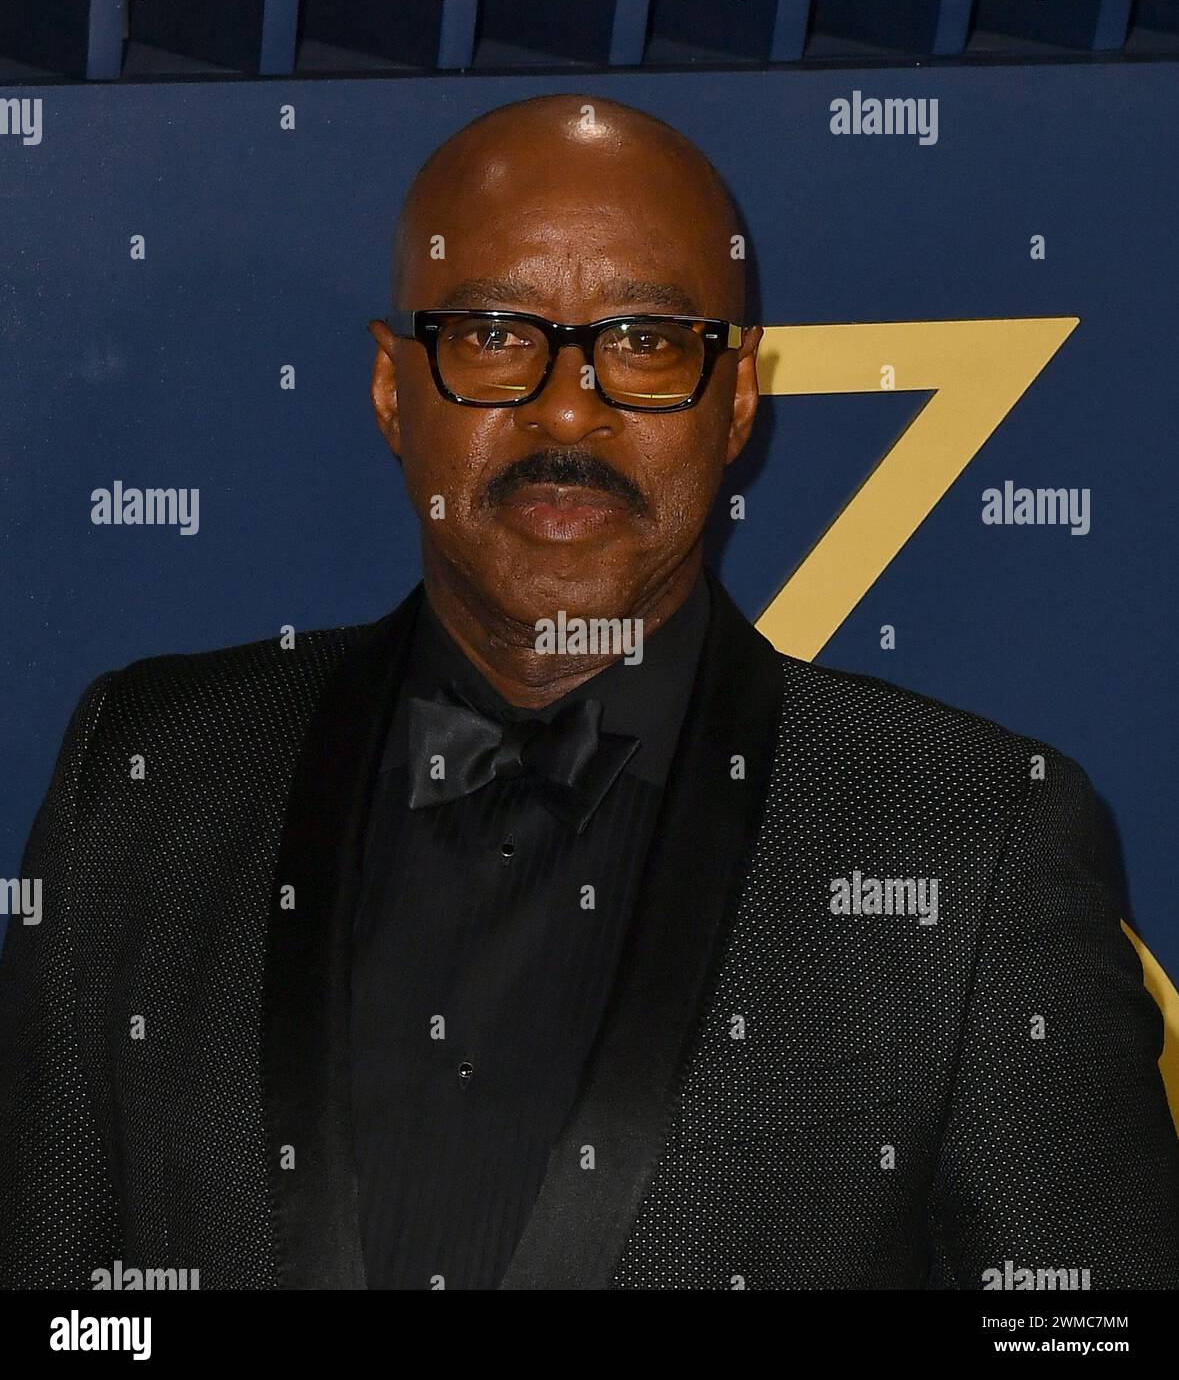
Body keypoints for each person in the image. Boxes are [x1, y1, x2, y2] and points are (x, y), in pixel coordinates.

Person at [1, 93, 1177, 1291]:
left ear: (741, 403)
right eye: (496, 334)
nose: (570, 408)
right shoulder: (146, 779)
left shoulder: (973, 842)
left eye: (650, 343)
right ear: (390, 389)